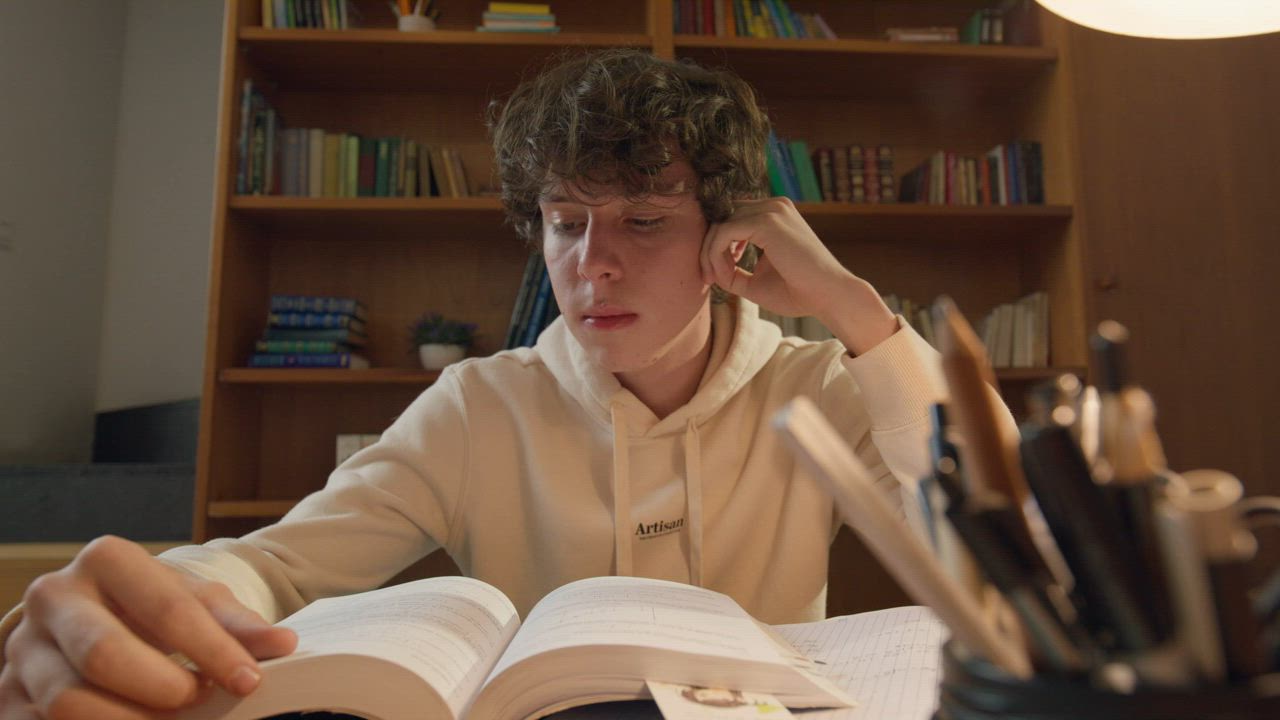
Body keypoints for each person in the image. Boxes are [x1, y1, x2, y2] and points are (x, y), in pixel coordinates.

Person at [0, 48, 1002, 718]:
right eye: (567, 223)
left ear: (728, 240)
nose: (592, 264)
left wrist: (852, 309)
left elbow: (1010, 556)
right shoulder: (478, 405)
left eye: (642, 222)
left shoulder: (818, 385)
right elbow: (278, 568)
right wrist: (165, 599)